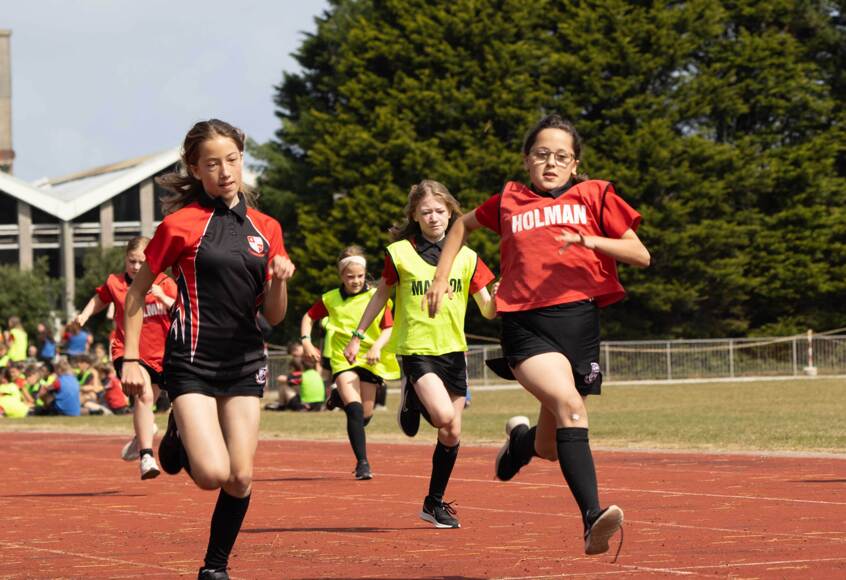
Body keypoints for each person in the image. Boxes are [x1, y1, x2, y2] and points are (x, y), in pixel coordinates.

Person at [425, 114, 650, 557]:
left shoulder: (594, 195)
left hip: (579, 323)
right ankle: (591, 519)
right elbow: (461, 225)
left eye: (561, 156)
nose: (551, 162)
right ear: (528, 160)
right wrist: (440, 277)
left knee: (551, 444)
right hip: (526, 324)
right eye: (542, 154)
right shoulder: (509, 199)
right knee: (568, 406)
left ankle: (522, 444)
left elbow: (639, 254)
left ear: (574, 164)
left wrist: (590, 241)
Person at [121, 119, 294, 580]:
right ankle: (177, 428)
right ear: (195, 170)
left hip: (245, 362)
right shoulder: (179, 226)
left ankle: (214, 568)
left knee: (240, 477)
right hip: (191, 362)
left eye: (232, 160)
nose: (225, 171)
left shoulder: (267, 228)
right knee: (212, 474)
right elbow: (136, 293)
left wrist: (278, 280)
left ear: (242, 160)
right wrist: (132, 358)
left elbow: (275, 316)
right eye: (212, 164)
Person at [344, 180, 497, 528]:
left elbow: (487, 309)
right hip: (416, 349)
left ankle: (433, 503)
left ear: (451, 212)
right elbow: (381, 295)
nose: (433, 217)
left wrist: (500, 298)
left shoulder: (467, 257)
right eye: (425, 211)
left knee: (452, 433)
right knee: (443, 416)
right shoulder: (399, 253)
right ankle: (413, 393)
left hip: (453, 351)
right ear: (414, 215)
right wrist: (357, 335)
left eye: (440, 211)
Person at [75, 235, 177, 479]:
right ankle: (146, 456)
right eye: (132, 261)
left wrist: (162, 297)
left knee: (148, 402)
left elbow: (182, 309)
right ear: (125, 260)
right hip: (128, 351)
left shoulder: (164, 282)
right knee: (145, 394)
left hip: (160, 355)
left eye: (142, 262)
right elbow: (100, 299)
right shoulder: (116, 283)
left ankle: (138, 438)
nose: (137, 267)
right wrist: (84, 315)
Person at [301, 245, 400, 480]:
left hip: (371, 359)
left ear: (366, 274)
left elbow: (389, 328)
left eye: (360, 276)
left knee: (365, 416)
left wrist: (376, 346)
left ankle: (338, 399)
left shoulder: (377, 297)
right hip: (343, 358)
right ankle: (362, 463)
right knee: (355, 410)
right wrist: (306, 341)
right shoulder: (331, 299)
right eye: (350, 276)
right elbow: (308, 316)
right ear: (341, 276)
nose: (355, 281)